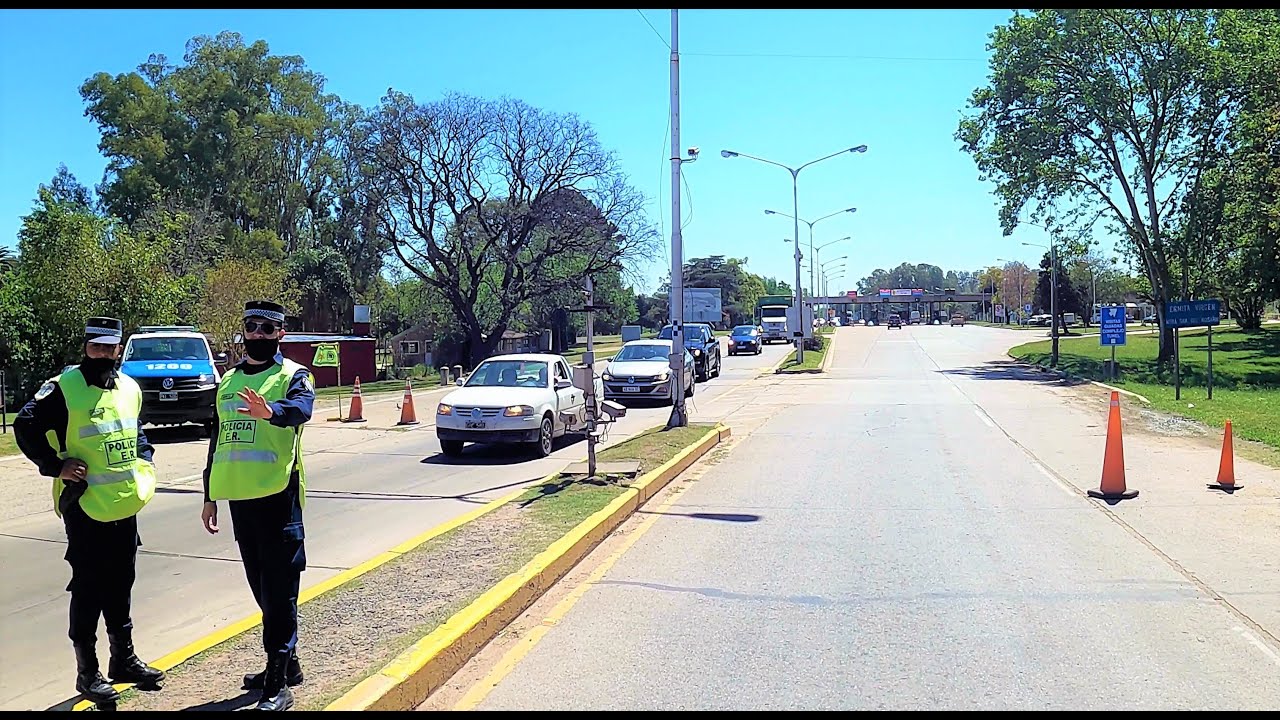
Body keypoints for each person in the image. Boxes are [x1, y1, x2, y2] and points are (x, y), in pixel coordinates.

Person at [13, 317, 165, 705]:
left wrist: (146, 462)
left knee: (121, 584)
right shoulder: (65, 388)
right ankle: (88, 673)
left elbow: (136, 432)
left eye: (107, 347)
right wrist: (54, 465)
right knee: (88, 589)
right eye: (93, 346)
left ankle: (123, 660)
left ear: (118, 349)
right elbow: (25, 424)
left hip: (123, 504)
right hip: (83, 506)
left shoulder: (129, 388)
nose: (100, 353)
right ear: (86, 347)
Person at [200, 300, 314, 712]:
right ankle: (288, 663)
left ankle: (277, 682)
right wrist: (209, 495)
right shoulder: (227, 382)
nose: (260, 335)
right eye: (253, 327)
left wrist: (273, 411)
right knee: (261, 588)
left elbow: (302, 410)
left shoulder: (292, 375)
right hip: (239, 500)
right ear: (244, 331)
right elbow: (219, 440)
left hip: (277, 498)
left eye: (269, 329)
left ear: (281, 333)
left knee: (280, 590)